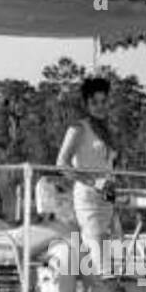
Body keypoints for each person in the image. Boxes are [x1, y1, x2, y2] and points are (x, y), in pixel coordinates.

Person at [56, 77, 120, 279]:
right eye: (95, 102)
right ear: (86, 104)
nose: (100, 107)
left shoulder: (108, 130)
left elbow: (109, 165)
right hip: (88, 199)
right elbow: (61, 163)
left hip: (108, 198)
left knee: (115, 254)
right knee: (97, 254)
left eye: (104, 101)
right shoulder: (78, 128)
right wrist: (94, 182)